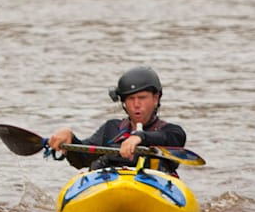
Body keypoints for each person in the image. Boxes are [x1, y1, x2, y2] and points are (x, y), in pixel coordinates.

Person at [46, 66, 187, 172]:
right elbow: (82, 160)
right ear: (124, 102)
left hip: (153, 190)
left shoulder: (171, 132)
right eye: (131, 99)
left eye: (142, 98)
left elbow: (174, 139)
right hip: (111, 187)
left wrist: (140, 137)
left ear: (155, 98)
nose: (136, 105)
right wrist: (69, 138)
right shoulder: (111, 129)